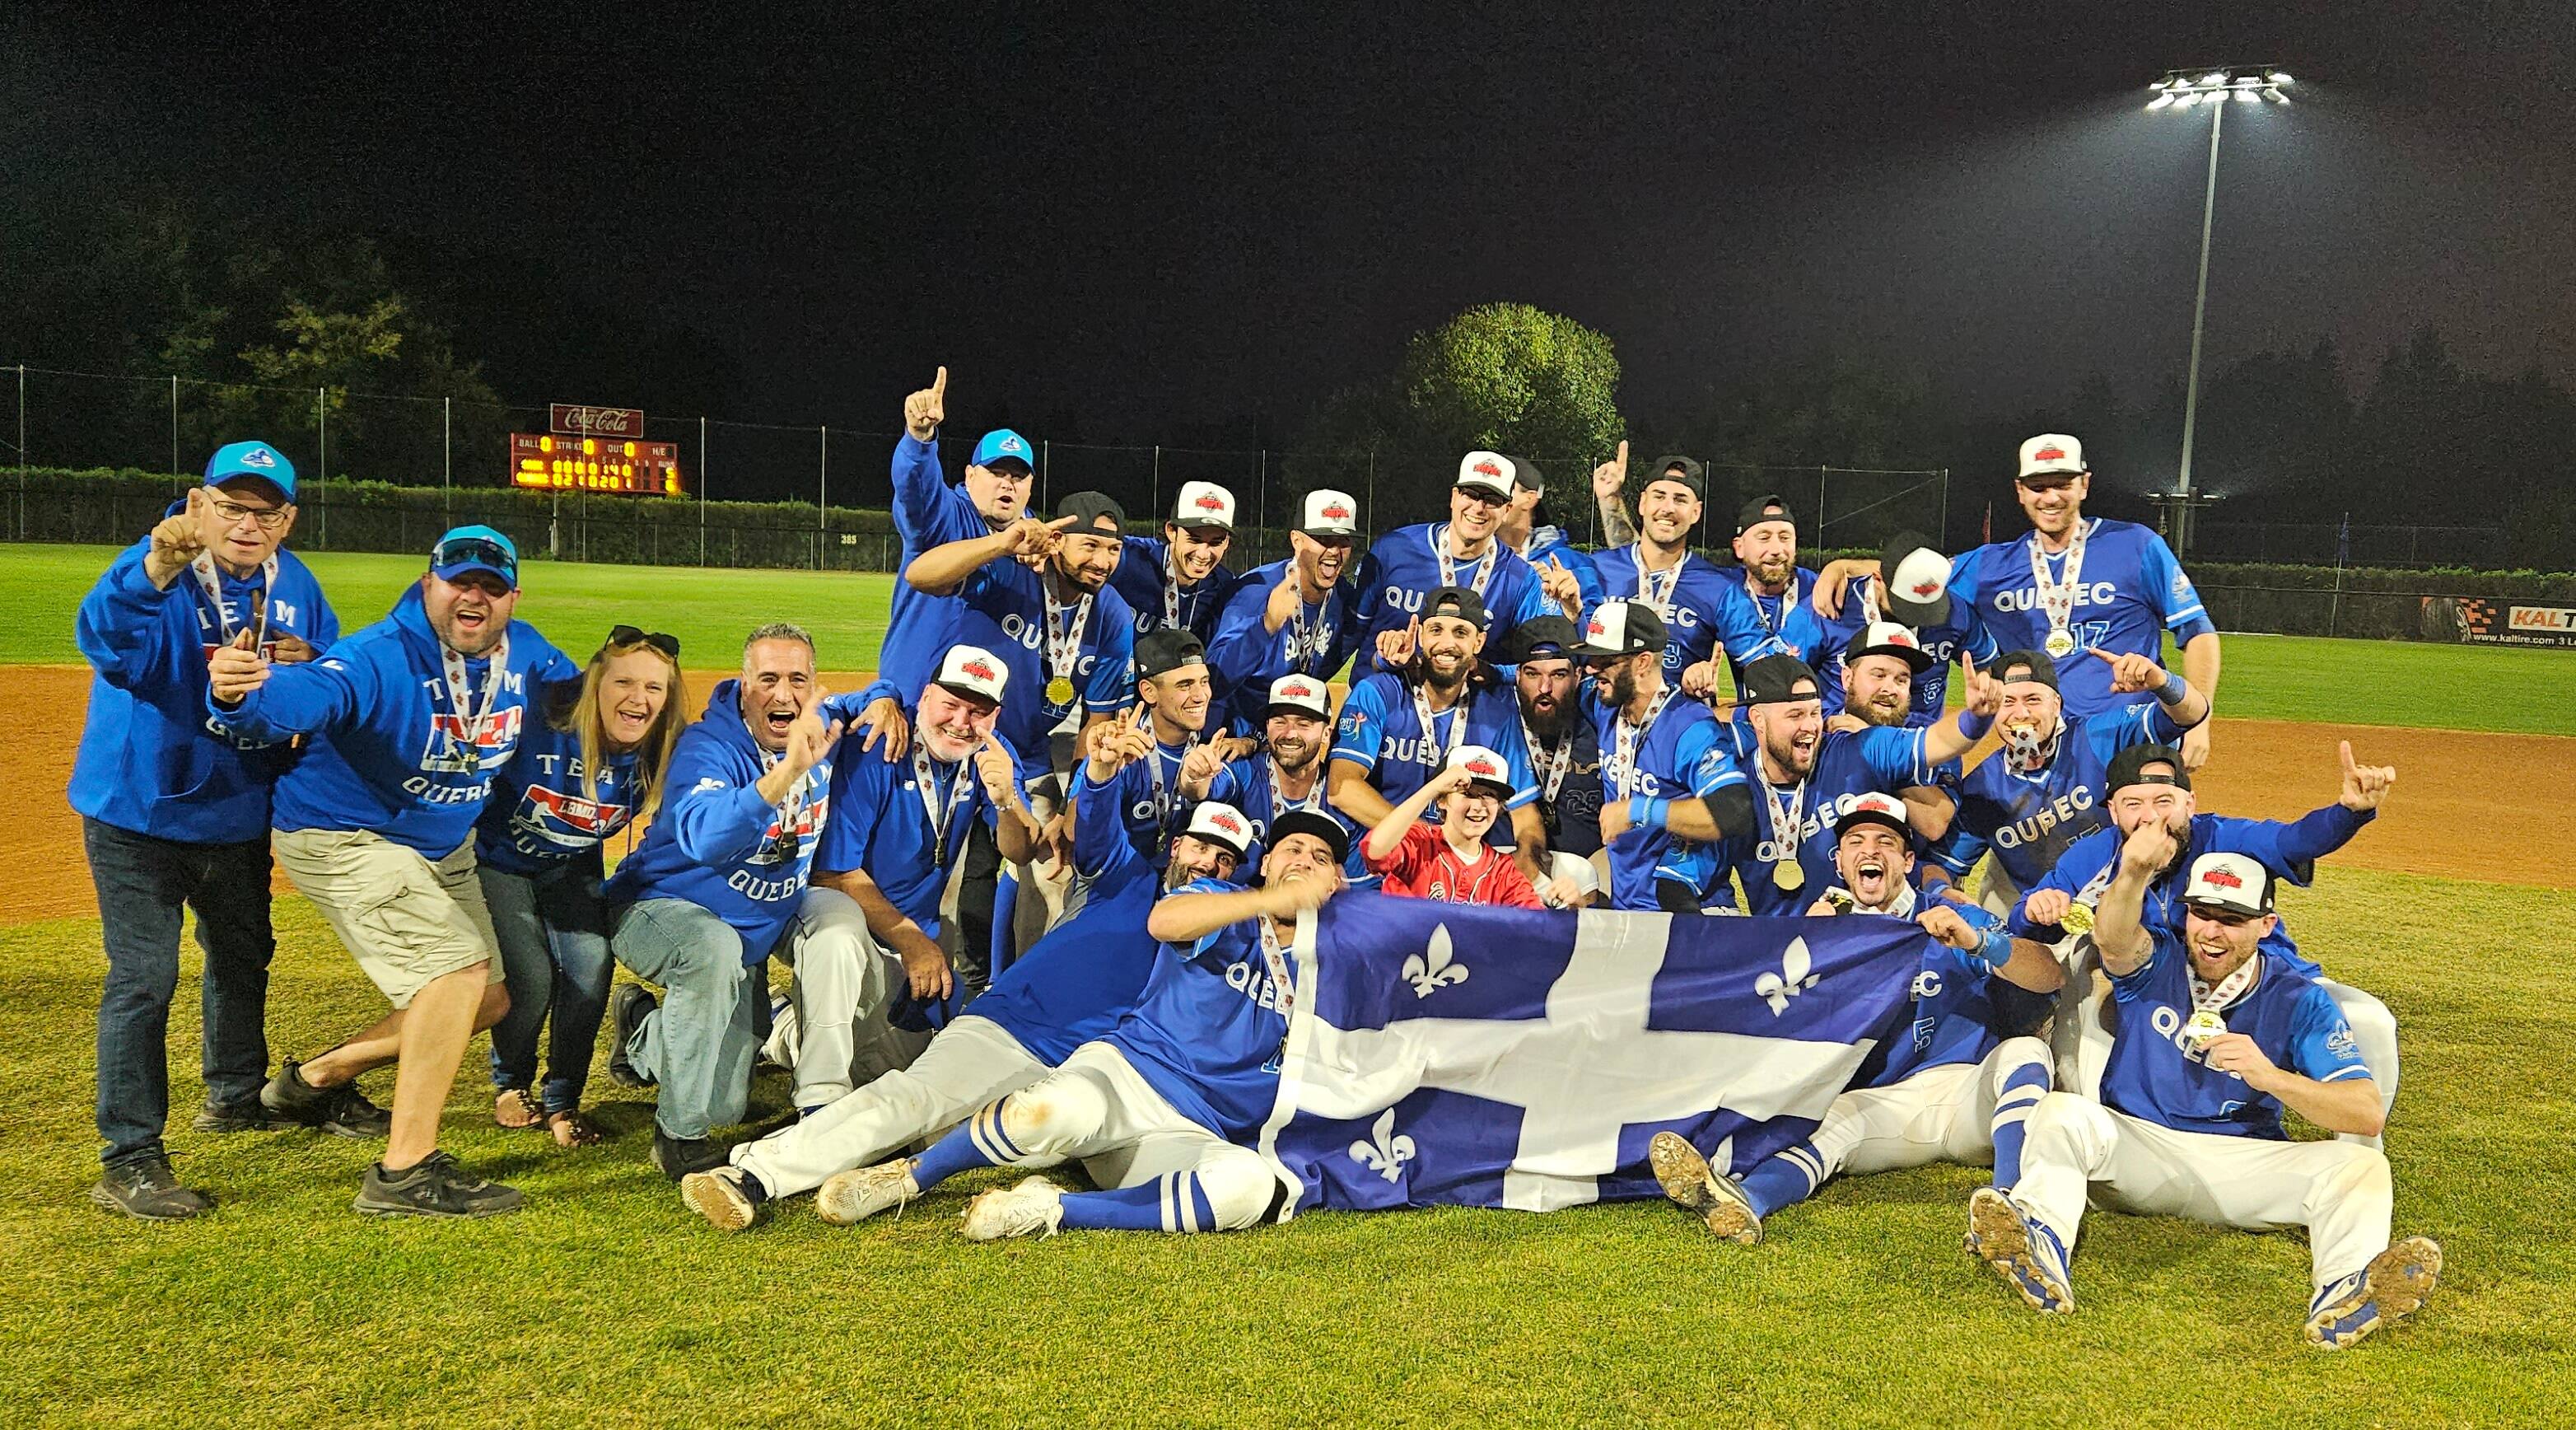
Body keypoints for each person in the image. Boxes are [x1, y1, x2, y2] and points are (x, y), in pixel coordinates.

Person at [205, 525, 574, 1217]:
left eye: (492, 587)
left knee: (490, 999)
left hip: (442, 846)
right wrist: (245, 693)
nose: (475, 597)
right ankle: (404, 1171)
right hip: (345, 836)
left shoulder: (526, 654)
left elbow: (583, 700)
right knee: (453, 973)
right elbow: (310, 696)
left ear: (513, 598)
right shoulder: (381, 656)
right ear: (429, 584)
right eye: (460, 581)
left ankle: (316, 1079)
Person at [678, 799, 1259, 1230]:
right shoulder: (1125, 879)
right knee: (914, 1102)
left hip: (1095, 1078)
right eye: (1202, 846)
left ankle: (783, 1029)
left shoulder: (1228, 937)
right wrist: (1101, 770)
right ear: (1177, 846)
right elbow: (1099, 818)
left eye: (1226, 858)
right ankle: (754, 1173)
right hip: (1020, 1030)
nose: (1210, 863)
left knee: (952, 1131)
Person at [1967, 849, 2442, 1348]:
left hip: (2240, 1165)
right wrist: (2132, 870)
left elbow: (2365, 1112)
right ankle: (2039, 1241)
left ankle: (2346, 1291)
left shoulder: (2298, 999)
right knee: (2062, 1113)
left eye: (2232, 920)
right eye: (2202, 914)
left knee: (2360, 1167)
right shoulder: (2157, 962)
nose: (2212, 932)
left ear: (2266, 925)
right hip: (2138, 1151)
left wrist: (2272, 1077)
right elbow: (2111, 937)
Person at [802, 811, 1349, 1240]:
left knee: (1249, 1190)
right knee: (1047, 1111)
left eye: (1320, 857)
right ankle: (908, 1177)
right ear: (1269, 864)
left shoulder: (1340, 960)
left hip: (1191, 1130)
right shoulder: (1222, 899)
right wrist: (1272, 900)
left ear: (1338, 881)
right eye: (1292, 850)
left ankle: (1050, 1207)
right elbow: (1166, 921)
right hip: (1125, 1078)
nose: (1303, 861)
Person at [72, 441, 338, 1219]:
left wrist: (309, 661)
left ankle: (233, 1094)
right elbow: (107, 643)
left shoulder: (298, 585)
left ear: (287, 520)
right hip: (138, 810)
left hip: (234, 809)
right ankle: (129, 1156)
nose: (247, 524)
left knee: (244, 952)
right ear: (199, 504)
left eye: (266, 512)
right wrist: (157, 561)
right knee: (144, 977)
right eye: (232, 507)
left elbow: (326, 679)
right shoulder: (161, 565)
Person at [1649, 794, 2060, 1244]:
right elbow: (1773, 1028)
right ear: (1840, 864)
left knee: (2026, 1052)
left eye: (1886, 842)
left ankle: (2011, 1208)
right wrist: (1811, 952)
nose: (1870, 851)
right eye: (1855, 842)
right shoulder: (1821, 931)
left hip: (1964, 1091)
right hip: (1880, 1105)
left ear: (1907, 861)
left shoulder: (1950, 918)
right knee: (1833, 1130)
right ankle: (1743, 1200)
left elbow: (2047, 975)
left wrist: (1981, 943)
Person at [2008, 743, 2404, 1128]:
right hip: (2152, 992)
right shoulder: (2092, 858)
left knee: (2370, 1021)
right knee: (2086, 987)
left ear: (2189, 805)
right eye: (2133, 804)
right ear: (2113, 812)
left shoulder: (2226, 837)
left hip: (2258, 983)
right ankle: (2096, 1127)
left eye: (2164, 801)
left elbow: (2296, 840)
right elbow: (2024, 922)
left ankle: (2360, 1148)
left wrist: (2349, 813)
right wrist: (2036, 910)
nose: (2151, 818)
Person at [604, 624, 873, 1178]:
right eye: (768, 679)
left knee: (727, 1101)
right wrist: (787, 774)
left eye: (798, 680)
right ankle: (678, 1136)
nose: (783, 693)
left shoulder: (823, 726)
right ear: (744, 686)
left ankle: (644, 1031)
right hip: (661, 906)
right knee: (713, 951)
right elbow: (706, 837)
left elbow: (863, 698)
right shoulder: (707, 747)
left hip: (746, 931)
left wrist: (885, 696)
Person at [903, 490, 1139, 979]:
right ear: (1056, 543)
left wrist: (1073, 812)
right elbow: (920, 574)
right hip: (952, 739)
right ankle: (932, 990)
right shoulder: (1014, 571)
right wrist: (1000, 544)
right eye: (1089, 545)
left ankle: (1022, 986)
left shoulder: (1112, 615)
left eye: (1112, 549)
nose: (1102, 561)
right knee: (936, 875)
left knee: (1053, 867)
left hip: (1025, 757)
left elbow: (1094, 728)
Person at [474, 624, 687, 1148]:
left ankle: (562, 1098)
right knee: (530, 976)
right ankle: (511, 1083)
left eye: (654, 688)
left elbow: (731, 718)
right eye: (624, 683)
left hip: (571, 867)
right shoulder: (542, 722)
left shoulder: (665, 750)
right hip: (495, 860)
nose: (638, 698)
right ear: (596, 684)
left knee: (591, 969)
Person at [1939, 435, 2220, 768]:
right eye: (2038, 487)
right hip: (2035, 741)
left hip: (2130, 733)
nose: (2051, 497)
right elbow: (1908, 578)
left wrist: (2199, 717)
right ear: (2020, 491)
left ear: (2084, 485)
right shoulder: (1988, 565)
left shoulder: (2135, 545)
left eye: (2062, 484)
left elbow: (2197, 632)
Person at [805, 642, 1042, 1037]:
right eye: (951, 704)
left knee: (899, 1058)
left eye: (979, 712)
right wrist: (911, 940)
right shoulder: (877, 743)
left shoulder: (994, 754)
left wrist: (1006, 803)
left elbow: (1020, 851)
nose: (962, 721)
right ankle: (790, 1032)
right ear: (925, 695)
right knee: (860, 1049)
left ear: (996, 716)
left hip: (918, 932)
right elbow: (834, 873)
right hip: (850, 920)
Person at [1698, 654, 1999, 916]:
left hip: (1860, 943)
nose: (1811, 726)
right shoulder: (1733, 791)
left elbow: (1940, 741)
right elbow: (1703, 880)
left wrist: (1976, 717)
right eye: (1795, 715)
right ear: (1758, 720)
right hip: (1781, 953)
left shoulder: (1858, 749)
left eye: (1815, 713)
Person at [1928, 647, 2209, 909]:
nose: (2021, 713)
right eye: (2008, 702)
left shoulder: (2099, 737)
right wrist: (1943, 891)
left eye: (2033, 700)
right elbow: (1938, 864)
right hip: (2043, 918)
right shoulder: (1983, 788)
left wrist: (2161, 682)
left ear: (2057, 704)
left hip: (2129, 902)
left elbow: (2191, 714)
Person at [1328, 586, 1545, 886]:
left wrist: (1528, 854)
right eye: (1436, 630)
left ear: (1478, 642)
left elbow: (1524, 810)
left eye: (1460, 632)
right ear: (1420, 637)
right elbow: (1342, 787)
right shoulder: (1379, 693)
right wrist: (1430, 841)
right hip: (1375, 872)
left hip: (1461, 881)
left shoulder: (1496, 716)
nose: (1447, 643)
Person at [863, 366, 1036, 740]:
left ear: (1030, 487)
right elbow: (918, 494)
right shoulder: (948, 519)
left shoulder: (1036, 538)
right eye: (996, 472)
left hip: (985, 720)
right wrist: (920, 440)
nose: (1007, 482)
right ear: (970, 476)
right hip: (914, 705)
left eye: (1018, 476)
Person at [1567, 601, 1753, 913]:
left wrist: (1639, 809)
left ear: (1642, 663)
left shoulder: (1689, 727)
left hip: (1689, 909)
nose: (1590, 668)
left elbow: (1733, 812)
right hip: (1630, 908)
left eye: (1604, 660)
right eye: (1590, 658)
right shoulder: (1605, 705)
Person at [1351, 452, 1584, 680]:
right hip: (1380, 702)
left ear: (1507, 509)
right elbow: (1350, 632)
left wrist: (1571, 611)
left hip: (1462, 710)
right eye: (1471, 494)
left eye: (1492, 500)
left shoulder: (1520, 579)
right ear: (1454, 497)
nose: (1479, 507)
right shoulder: (1394, 550)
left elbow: (1549, 660)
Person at [1589, 445, 1790, 699]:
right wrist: (1609, 500)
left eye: (1680, 500)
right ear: (1642, 503)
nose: (1668, 508)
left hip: (1677, 726)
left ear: (1696, 513)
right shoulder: (1597, 568)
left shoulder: (1718, 589)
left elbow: (1772, 669)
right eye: (1659, 496)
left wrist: (1720, 705)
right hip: (1603, 727)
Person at [1786, 532, 1995, 727]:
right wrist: (1830, 722)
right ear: (1878, 580)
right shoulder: (1826, 609)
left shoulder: (1957, 612)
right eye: (1905, 607)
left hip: (1922, 748)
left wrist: (1984, 686)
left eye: (1927, 609)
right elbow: (1780, 680)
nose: (1917, 618)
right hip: (1843, 746)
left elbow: (1983, 663)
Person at [1066, 629, 1226, 873]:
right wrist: (1103, 773)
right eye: (1184, 685)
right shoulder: (1119, 748)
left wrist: (1251, 743)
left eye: (1204, 682)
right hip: (1116, 885)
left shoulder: (1216, 744)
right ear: (1149, 691)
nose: (1200, 695)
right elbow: (1072, 831)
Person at [1206, 489, 1365, 732]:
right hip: (1233, 736)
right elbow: (1214, 681)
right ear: (1296, 540)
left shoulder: (1343, 598)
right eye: (1322, 539)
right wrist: (1266, 626)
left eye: (1343, 542)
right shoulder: (1255, 592)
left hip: (1291, 731)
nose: (1334, 551)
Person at [1365, 746, 1548, 908]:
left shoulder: (1504, 871)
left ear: (1500, 806)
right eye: (1467, 793)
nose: (1478, 806)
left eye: (1489, 795)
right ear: (1442, 800)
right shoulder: (1418, 842)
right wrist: (1431, 789)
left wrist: (1571, 905)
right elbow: (1374, 851)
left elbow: (1537, 927)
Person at [1207, 673, 1350, 859]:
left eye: (1304, 724)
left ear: (1326, 734)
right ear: (1267, 726)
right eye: (1280, 722)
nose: (1290, 734)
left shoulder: (1342, 794)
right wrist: (1194, 777)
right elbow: (1203, 789)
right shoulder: (1245, 771)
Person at [1505, 617, 1604, 866]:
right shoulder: (1496, 718)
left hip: (1589, 871)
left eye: (1558, 675)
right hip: (1506, 868)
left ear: (1578, 676)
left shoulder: (1601, 720)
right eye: (1532, 674)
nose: (1544, 687)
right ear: (1517, 675)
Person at [1111, 480, 1239, 643]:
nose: (1203, 554)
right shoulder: (1128, 557)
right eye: (1194, 539)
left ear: (1226, 542)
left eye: (1215, 543)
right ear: (1171, 531)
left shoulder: (1224, 587)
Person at [1711, 493, 1816, 691]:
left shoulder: (1818, 590)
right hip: (1749, 717)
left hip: (1813, 717)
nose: (1776, 549)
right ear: (1739, 548)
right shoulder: (1722, 591)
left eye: (1785, 538)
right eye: (1764, 538)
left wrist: (1839, 567)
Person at [1496, 456, 1603, 611]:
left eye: (1506, 488)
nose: (1496, 496)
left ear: (1530, 498)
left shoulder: (1571, 564)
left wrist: (1557, 602)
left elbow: (1591, 623)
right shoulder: (1471, 552)